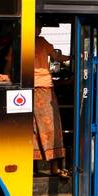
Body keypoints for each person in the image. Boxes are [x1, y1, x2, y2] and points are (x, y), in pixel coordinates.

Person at [33, 32, 71, 178]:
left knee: (33, 128)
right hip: (43, 88)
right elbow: (57, 57)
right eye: (39, 26)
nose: (41, 29)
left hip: (25, 87)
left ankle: (33, 168)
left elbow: (9, 63)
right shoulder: (41, 42)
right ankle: (54, 168)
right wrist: (73, 58)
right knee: (51, 127)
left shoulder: (21, 40)